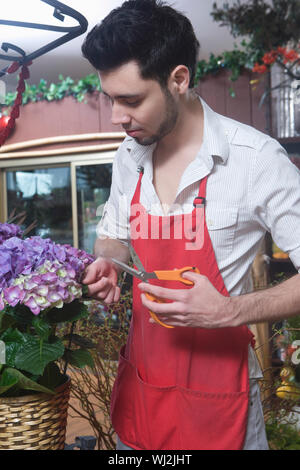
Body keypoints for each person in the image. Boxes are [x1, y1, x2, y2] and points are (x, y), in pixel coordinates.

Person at [81, 0, 300, 450]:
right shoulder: (130, 154)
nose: (117, 117)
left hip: (218, 398)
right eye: (110, 99)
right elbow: (114, 236)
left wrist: (229, 311)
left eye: (131, 100)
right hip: (142, 385)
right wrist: (109, 262)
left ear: (178, 79)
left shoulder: (257, 161)